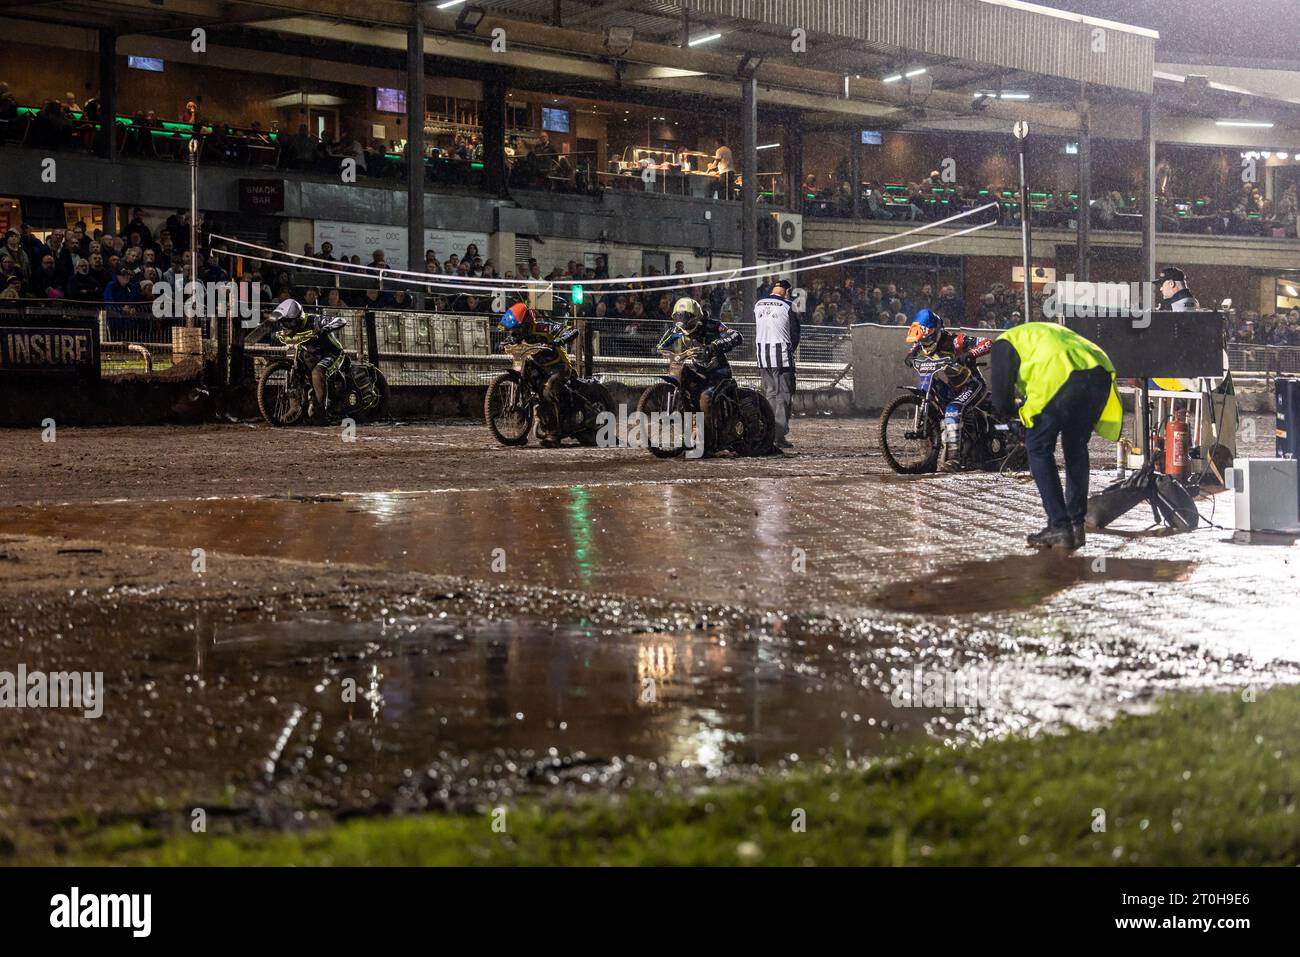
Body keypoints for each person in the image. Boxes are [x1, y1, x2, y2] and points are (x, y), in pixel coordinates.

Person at [990, 322, 1123, 550]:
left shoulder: (1003, 344)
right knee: (1076, 447)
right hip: (1098, 369)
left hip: (1061, 375)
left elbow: (1001, 401)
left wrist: (1018, 420)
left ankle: (1059, 526)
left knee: (1038, 448)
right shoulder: (1036, 334)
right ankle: (1075, 525)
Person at [904, 308, 992, 471]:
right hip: (953, 386)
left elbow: (987, 342)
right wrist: (911, 355)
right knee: (930, 406)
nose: (925, 344)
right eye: (923, 340)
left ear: (937, 332)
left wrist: (970, 354)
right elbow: (916, 345)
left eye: (928, 339)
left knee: (952, 410)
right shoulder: (922, 342)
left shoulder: (955, 341)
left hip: (972, 384)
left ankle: (953, 459)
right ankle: (929, 460)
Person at [656, 297, 742, 421]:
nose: (686, 330)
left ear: (697, 318)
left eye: (689, 324)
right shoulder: (678, 330)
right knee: (681, 372)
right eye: (681, 324)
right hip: (700, 373)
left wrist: (714, 346)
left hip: (719, 374)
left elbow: (736, 335)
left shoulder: (713, 325)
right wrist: (665, 352)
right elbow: (661, 346)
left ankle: (709, 438)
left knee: (705, 399)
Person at [269, 297, 346, 424]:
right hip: (310, 354)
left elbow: (341, 320)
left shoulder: (315, 320)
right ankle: (294, 408)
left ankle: (322, 414)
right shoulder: (289, 328)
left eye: (287, 322)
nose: (284, 326)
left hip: (330, 352)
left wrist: (325, 328)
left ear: (296, 320)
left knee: (317, 373)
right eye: (282, 322)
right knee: (295, 371)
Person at [754, 278, 798, 448]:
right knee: (784, 395)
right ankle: (779, 435)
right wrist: (790, 350)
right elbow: (795, 333)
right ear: (787, 291)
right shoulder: (788, 306)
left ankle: (768, 432)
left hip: (763, 356)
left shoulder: (758, 304)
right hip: (782, 357)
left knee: (770, 395)